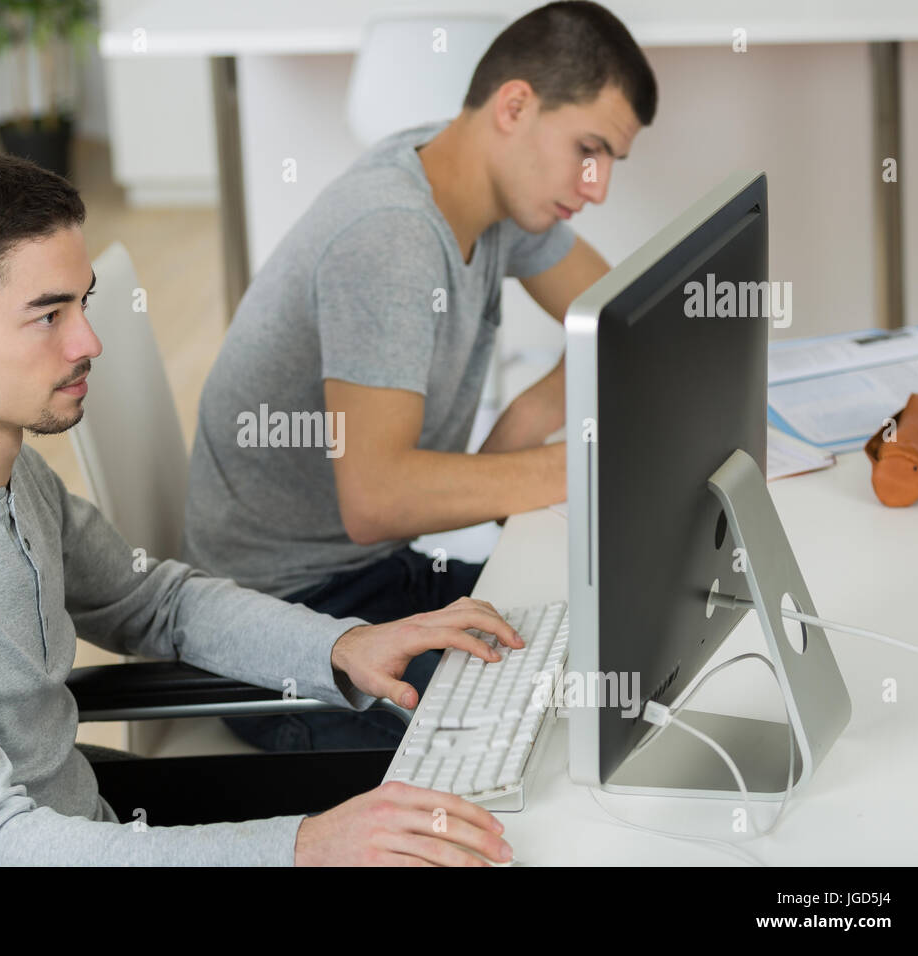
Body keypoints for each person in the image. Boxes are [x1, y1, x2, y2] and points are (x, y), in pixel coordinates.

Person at [0, 149, 522, 866]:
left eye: (83, 303)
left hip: (87, 821)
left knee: (443, 814)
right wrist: (301, 847)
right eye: (48, 315)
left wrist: (340, 647)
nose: (89, 339)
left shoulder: (6, 468)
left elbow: (155, 601)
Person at [182, 0, 656, 752]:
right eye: (587, 150)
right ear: (515, 106)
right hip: (290, 635)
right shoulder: (391, 234)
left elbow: (621, 320)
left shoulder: (473, 180)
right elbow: (378, 497)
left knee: (624, 641)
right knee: (561, 736)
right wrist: (573, 470)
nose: (595, 188)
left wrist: (529, 425)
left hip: (379, 580)